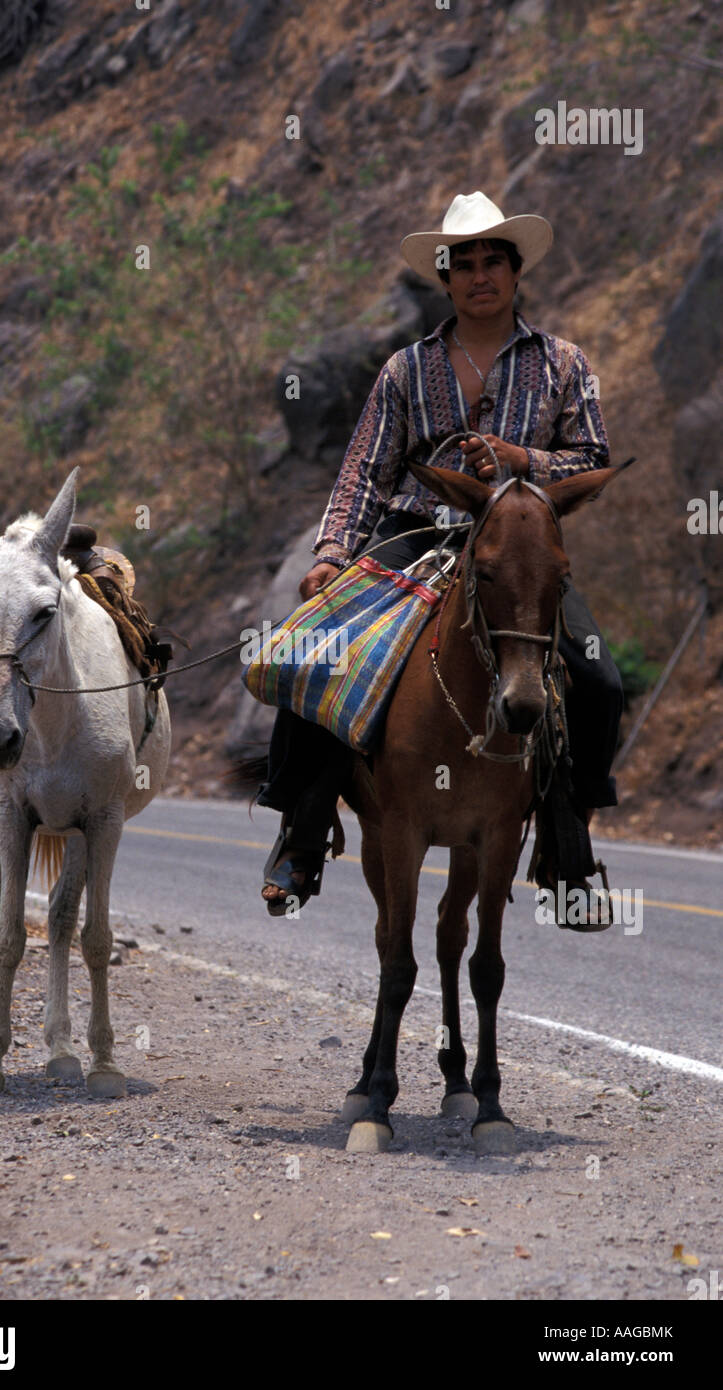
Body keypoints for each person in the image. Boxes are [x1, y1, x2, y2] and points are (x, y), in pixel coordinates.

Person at [257, 191, 623, 918]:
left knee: (598, 679)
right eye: (465, 265)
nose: (479, 275)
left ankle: (565, 840)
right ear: (444, 279)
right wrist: (333, 551)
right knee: (323, 649)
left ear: (515, 274)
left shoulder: (562, 363)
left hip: (517, 544)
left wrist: (522, 459)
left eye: (493, 261)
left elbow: (593, 457)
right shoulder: (404, 369)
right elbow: (365, 468)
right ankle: (301, 830)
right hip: (417, 528)